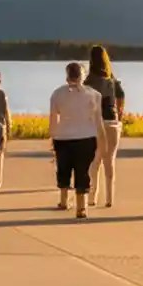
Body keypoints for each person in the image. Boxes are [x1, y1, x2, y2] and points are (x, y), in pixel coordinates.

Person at [49, 62, 106, 219]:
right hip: (86, 137)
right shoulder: (94, 95)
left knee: (63, 169)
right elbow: (98, 120)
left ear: (67, 75)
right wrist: (102, 140)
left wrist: (52, 136)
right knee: (83, 171)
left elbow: (54, 118)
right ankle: (81, 207)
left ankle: (64, 200)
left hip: (63, 137)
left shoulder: (57, 94)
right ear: (84, 75)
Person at [84, 46, 126, 208]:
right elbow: (121, 97)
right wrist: (119, 115)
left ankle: (92, 196)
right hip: (112, 122)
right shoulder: (112, 81)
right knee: (110, 161)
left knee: (95, 161)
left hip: (95, 123)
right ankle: (109, 198)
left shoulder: (88, 82)